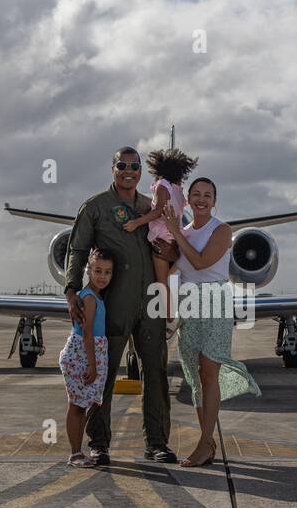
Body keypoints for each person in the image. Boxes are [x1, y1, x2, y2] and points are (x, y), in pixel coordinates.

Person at [64, 146, 179, 465]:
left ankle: (157, 442)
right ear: (113, 168)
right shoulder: (96, 207)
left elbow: (173, 245)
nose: (129, 170)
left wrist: (173, 257)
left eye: (135, 166)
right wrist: (72, 289)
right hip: (112, 304)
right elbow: (77, 249)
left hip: (151, 303)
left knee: (156, 371)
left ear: (141, 171)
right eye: (122, 165)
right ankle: (98, 443)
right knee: (103, 374)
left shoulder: (151, 205)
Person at [163, 177, 261, 467]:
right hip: (189, 303)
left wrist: (176, 236)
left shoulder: (222, 230)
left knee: (209, 371)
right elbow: (171, 268)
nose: (201, 199)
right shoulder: (184, 231)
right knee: (195, 377)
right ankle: (207, 442)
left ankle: (204, 444)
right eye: (196, 194)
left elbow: (202, 262)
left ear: (214, 201)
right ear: (188, 200)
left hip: (215, 301)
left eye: (207, 195)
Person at [121, 147, 199, 336]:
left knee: (162, 282)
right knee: (170, 276)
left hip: (161, 238)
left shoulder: (162, 186)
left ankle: (171, 319)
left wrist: (136, 222)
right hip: (176, 238)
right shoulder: (178, 191)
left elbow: (159, 212)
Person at [59, 248, 112, 467]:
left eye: (108, 272)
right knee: (77, 406)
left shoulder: (94, 296)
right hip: (82, 355)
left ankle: (78, 452)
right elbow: (87, 333)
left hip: (86, 353)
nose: (102, 276)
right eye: (97, 270)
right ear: (88, 270)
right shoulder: (89, 298)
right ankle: (74, 453)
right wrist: (92, 363)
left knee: (80, 405)